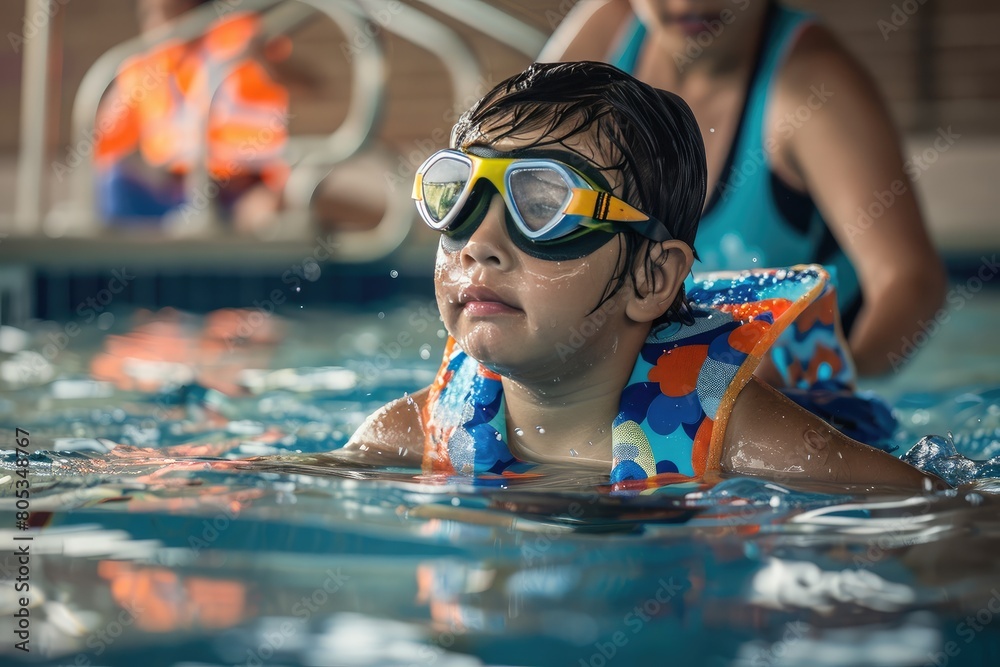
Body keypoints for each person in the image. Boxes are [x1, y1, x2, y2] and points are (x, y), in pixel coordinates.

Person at [345, 61, 942, 490]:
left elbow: (944, 512)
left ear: (652, 278)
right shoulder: (409, 431)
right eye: (460, 198)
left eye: (544, 204)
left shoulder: (748, 439)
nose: (479, 245)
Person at [539, 0, 947, 376]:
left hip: (792, 390)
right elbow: (519, 193)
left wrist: (824, 393)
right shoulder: (606, 34)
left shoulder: (813, 86)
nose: (689, 3)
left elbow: (910, 280)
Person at [94, 0, 296, 233]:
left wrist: (264, 61)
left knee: (271, 211)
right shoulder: (142, 69)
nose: (161, 25)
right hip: (174, 191)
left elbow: (307, 84)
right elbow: (102, 143)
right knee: (113, 182)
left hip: (239, 189)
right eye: (150, 15)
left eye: (171, 12)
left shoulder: (238, 41)